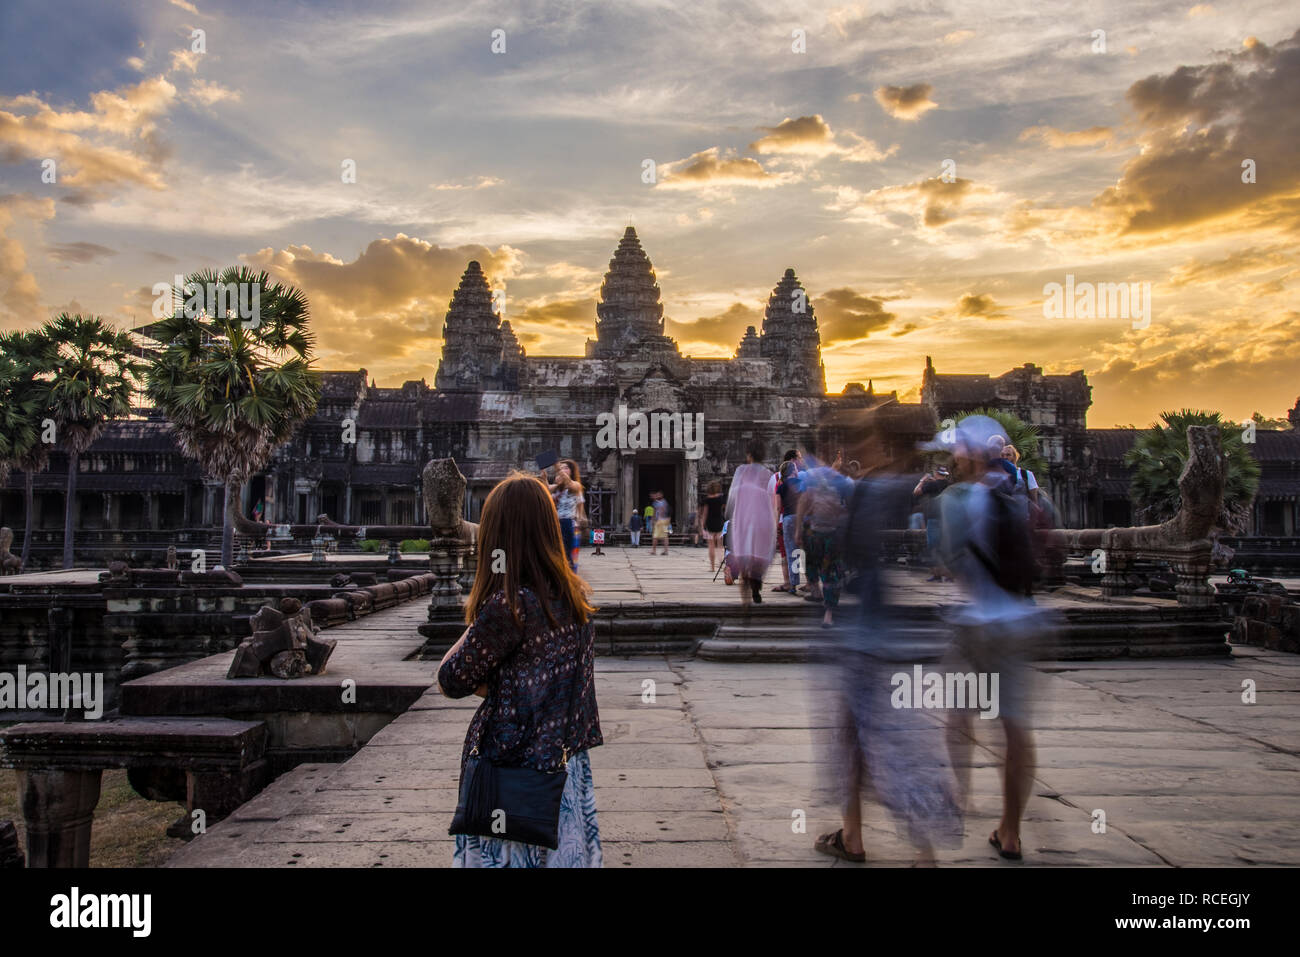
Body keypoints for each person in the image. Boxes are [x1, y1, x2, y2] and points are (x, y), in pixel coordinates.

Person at [437, 473, 602, 868]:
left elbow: (451, 679)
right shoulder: (573, 600)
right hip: (564, 778)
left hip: (514, 778)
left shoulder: (509, 607)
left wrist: (483, 611)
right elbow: (540, 677)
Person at [814, 430, 964, 866]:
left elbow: (850, 551)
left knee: (877, 741)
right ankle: (857, 836)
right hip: (892, 631)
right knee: (862, 737)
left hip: (866, 633)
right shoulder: (905, 488)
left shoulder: (871, 491)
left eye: (861, 446)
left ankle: (918, 847)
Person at [936, 415, 1044, 862]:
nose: (955, 458)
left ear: (974, 456)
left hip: (979, 622)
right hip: (1022, 618)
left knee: (958, 712)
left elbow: (950, 561)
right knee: (1016, 729)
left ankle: (959, 797)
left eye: (960, 451)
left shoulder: (963, 498)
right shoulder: (1026, 492)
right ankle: (1011, 832)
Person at [795, 449, 853, 628]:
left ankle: (815, 591)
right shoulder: (842, 480)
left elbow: (803, 502)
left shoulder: (810, 476)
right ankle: (828, 613)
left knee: (811, 564)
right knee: (831, 572)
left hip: (814, 530)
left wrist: (798, 529)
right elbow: (849, 507)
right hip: (833, 531)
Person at [724, 442, 776, 606]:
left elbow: (732, 494)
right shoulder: (767, 473)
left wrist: (727, 514)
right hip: (763, 517)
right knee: (758, 554)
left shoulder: (741, 470)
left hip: (744, 516)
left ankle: (746, 596)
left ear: (749, 455)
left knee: (744, 553)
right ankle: (756, 585)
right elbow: (771, 496)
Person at [542, 459, 585, 572]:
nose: (562, 470)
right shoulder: (558, 487)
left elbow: (569, 482)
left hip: (568, 523)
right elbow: (547, 488)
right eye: (561, 468)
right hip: (556, 522)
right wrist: (544, 476)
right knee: (556, 553)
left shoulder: (575, 486)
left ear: (572, 471)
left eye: (566, 468)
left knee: (568, 555)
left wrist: (557, 467)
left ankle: (570, 578)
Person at [913, 465, 951, 581]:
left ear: (935, 473)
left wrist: (922, 480)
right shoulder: (949, 484)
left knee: (933, 547)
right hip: (946, 518)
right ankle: (950, 575)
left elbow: (916, 492)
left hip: (934, 518)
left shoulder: (931, 484)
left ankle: (937, 575)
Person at [698, 481, 726, 573]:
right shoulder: (721, 499)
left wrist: (702, 525)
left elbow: (704, 514)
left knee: (711, 546)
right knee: (720, 545)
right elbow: (723, 510)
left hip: (709, 523)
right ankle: (722, 565)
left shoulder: (706, 500)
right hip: (719, 522)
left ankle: (712, 567)